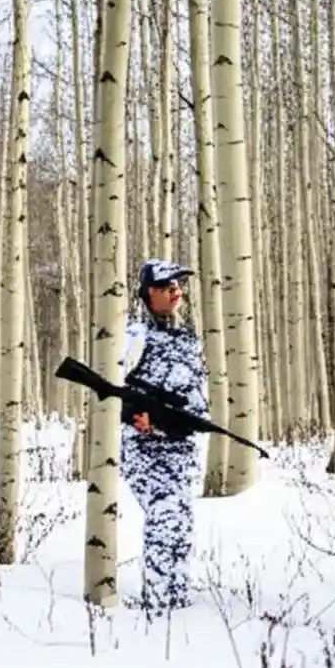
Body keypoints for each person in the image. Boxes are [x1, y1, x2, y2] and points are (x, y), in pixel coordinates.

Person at [119, 258, 209, 612]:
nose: (176, 293)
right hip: (146, 449)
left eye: (178, 287)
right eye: (167, 287)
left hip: (182, 446)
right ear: (148, 293)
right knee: (163, 517)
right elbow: (114, 389)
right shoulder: (134, 337)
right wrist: (136, 417)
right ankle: (157, 602)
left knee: (182, 522)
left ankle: (177, 596)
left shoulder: (188, 340)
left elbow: (197, 392)